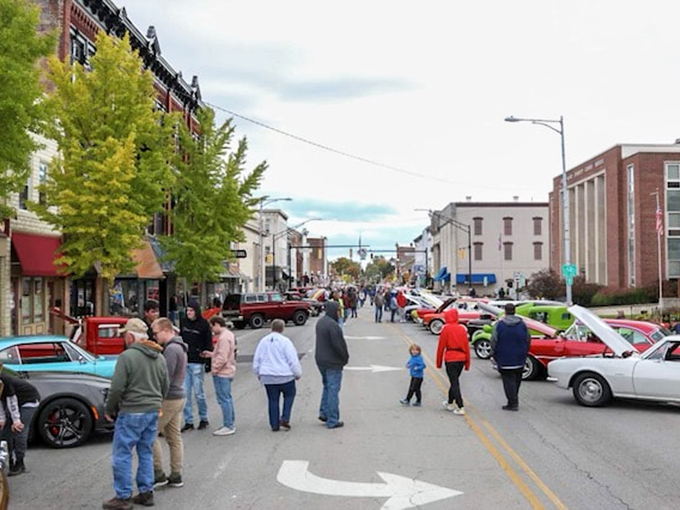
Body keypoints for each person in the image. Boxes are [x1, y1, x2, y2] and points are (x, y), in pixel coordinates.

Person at [103, 318, 169, 510]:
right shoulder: (159, 356)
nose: (124, 338)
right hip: (151, 410)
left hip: (132, 410)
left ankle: (123, 496)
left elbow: (116, 388)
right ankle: (146, 492)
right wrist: (157, 403)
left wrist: (109, 409)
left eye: (124, 334)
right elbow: (165, 385)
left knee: (122, 453)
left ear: (131, 336)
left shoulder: (127, 356)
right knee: (145, 451)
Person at [151, 318, 188, 489]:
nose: (154, 336)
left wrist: (156, 399)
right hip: (179, 395)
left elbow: (164, 378)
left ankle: (158, 474)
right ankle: (176, 474)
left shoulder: (171, 350)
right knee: (174, 438)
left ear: (166, 330)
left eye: (156, 332)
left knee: (149, 434)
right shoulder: (179, 347)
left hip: (169, 398)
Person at [252, 319, 302, 431]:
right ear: (282, 328)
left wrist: (257, 372)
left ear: (271, 327)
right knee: (289, 395)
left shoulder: (263, 341)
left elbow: (257, 358)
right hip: (285, 375)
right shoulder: (286, 341)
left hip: (268, 376)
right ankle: (285, 417)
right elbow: (292, 359)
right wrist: (297, 373)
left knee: (272, 400)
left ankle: (274, 424)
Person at [490, 303, 531, 411]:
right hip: (520, 356)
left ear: (505, 311)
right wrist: (525, 350)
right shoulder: (522, 325)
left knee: (508, 381)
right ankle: (513, 398)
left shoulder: (499, 325)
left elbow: (494, 340)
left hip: (504, 357)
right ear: (515, 311)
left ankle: (512, 403)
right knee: (517, 379)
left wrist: (493, 353)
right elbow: (528, 339)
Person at [315, 301, 349, 429]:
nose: (339, 313)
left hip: (321, 359)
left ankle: (324, 412)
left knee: (327, 387)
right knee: (333, 389)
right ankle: (332, 419)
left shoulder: (321, 322)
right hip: (333, 361)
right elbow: (338, 345)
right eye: (338, 310)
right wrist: (345, 358)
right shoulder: (333, 325)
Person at [0, 367, 40, 476]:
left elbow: (11, 400)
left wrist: (16, 420)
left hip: (28, 401)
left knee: (19, 430)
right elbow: (0, 399)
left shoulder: (4, 379)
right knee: (4, 432)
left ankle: (20, 463)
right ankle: (9, 460)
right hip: (14, 402)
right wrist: (2, 419)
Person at [180, 301, 213, 431]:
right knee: (185, 393)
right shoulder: (184, 322)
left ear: (196, 311)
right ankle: (189, 421)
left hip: (198, 361)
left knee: (199, 393)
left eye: (191, 311)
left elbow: (208, 342)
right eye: (187, 310)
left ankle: (203, 418)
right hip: (185, 361)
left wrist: (207, 362)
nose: (189, 313)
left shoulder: (203, 324)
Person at [203, 316, 237, 436]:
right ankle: (230, 422)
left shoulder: (223, 338)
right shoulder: (229, 335)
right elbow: (223, 354)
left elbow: (222, 358)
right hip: (228, 370)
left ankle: (228, 425)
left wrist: (215, 369)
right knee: (227, 398)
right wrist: (212, 354)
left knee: (224, 399)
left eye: (212, 326)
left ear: (217, 324)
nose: (212, 329)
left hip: (222, 373)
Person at [436, 309, 470, 416]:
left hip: (450, 357)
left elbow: (441, 347)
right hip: (461, 358)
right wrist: (467, 363)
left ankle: (460, 406)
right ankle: (450, 403)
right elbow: (467, 347)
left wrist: (438, 362)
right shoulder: (462, 329)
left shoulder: (446, 329)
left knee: (454, 382)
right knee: (454, 381)